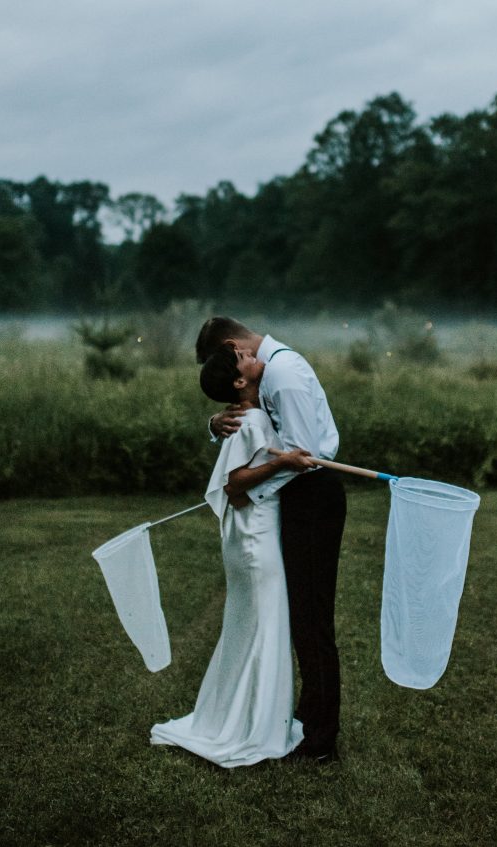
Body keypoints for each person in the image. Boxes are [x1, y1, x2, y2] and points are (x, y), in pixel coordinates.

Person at [195, 317, 346, 763]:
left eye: (228, 359)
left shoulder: (283, 374)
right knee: (301, 616)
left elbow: (304, 456)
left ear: (230, 345)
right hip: (295, 497)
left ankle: (321, 741)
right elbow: (260, 435)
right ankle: (307, 717)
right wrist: (216, 422)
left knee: (312, 620)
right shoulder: (268, 374)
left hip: (313, 497)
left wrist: (242, 489)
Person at [149, 344, 307, 768]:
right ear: (240, 382)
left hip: (253, 534)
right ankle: (255, 727)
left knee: (255, 625)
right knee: (264, 623)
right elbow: (236, 484)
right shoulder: (250, 418)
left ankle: (249, 717)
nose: (255, 354)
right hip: (256, 538)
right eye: (245, 357)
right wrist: (285, 462)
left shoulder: (249, 415)